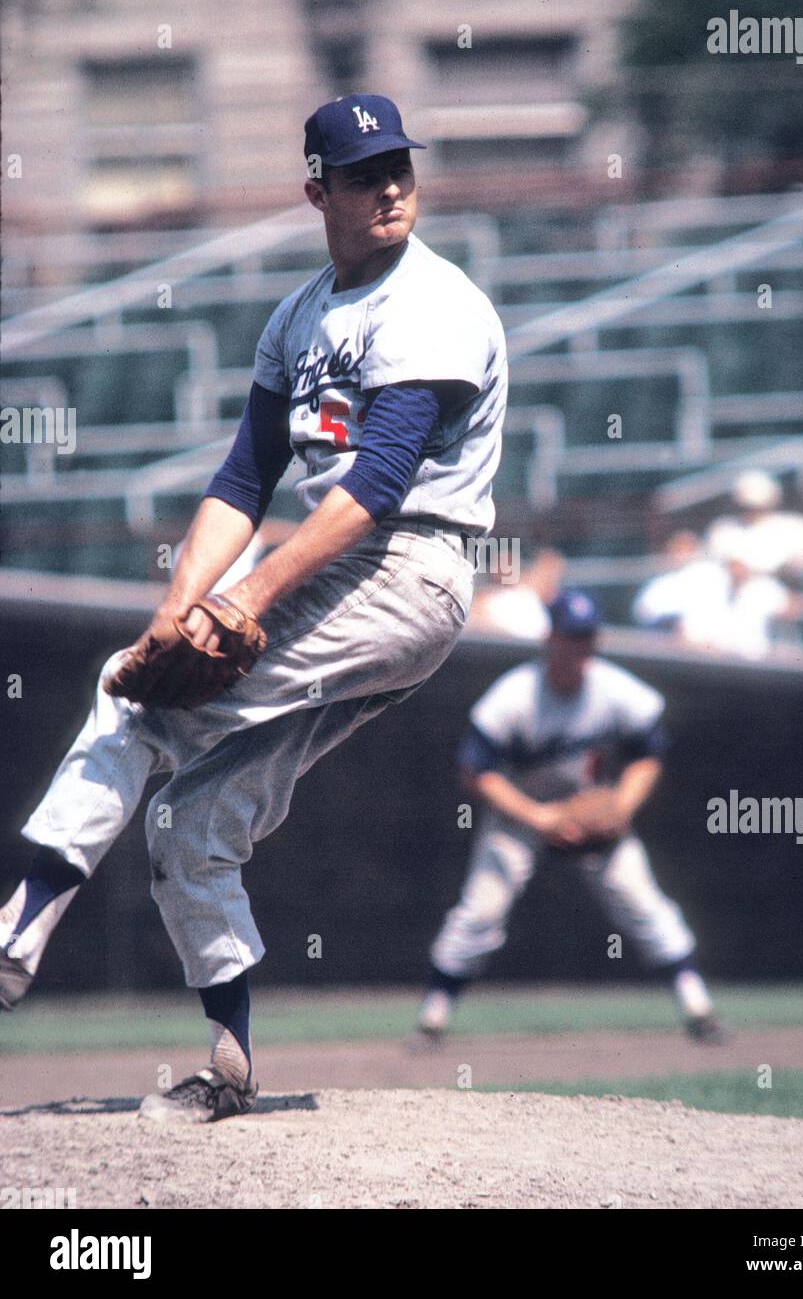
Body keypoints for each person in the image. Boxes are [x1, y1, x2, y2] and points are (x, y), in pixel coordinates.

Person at [0, 93, 508, 1122]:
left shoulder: (435, 303)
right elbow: (242, 480)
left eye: (400, 166)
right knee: (190, 818)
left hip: (404, 567)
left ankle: (19, 925)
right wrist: (178, 607)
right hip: (349, 577)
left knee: (131, 700)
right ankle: (229, 1063)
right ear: (318, 188)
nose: (391, 186)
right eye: (365, 172)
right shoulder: (298, 317)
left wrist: (244, 603)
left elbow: (373, 486)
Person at [414, 590, 725, 1045]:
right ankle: (432, 1017)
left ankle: (698, 1008)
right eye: (570, 637)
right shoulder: (514, 696)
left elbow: (649, 756)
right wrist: (540, 818)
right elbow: (475, 772)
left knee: (642, 901)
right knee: (481, 909)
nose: (579, 648)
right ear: (550, 638)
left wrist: (620, 807)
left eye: (586, 638)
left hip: (592, 814)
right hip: (523, 813)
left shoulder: (615, 688)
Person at [705, 471, 803, 579]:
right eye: (746, 506)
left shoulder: (788, 525)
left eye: (756, 506)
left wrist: (792, 568)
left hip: (781, 593)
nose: (751, 511)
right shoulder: (724, 528)